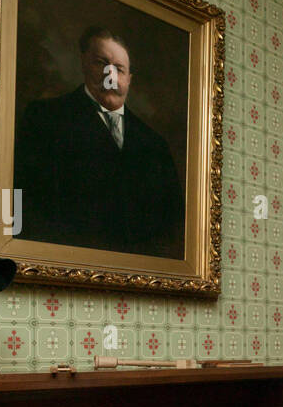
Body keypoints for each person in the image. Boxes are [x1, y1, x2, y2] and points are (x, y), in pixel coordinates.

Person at [12, 26, 185, 259]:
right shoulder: (45, 118)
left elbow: (171, 222)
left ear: (130, 78)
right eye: (102, 63)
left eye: (120, 70)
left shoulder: (154, 144)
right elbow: (24, 202)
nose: (111, 76)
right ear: (84, 63)